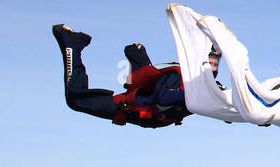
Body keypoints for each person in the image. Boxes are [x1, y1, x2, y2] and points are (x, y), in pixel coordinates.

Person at [52, 24, 209, 128]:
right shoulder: (185, 76)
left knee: (142, 80)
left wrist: (228, 110)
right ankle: (70, 43)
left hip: (148, 112)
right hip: (132, 107)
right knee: (75, 100)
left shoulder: (206, 86)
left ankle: (136, 52)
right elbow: (162, 97)